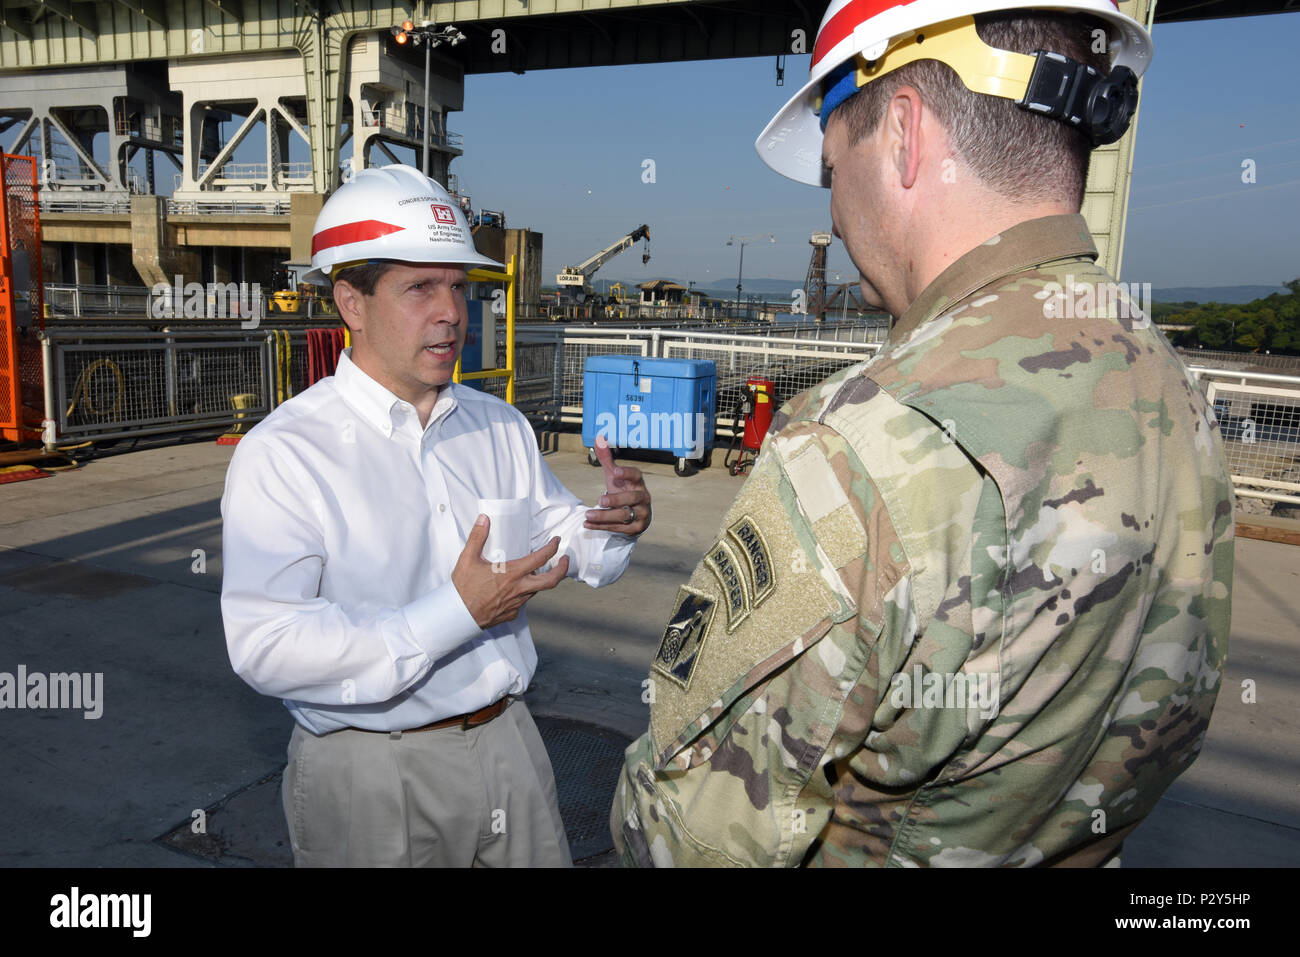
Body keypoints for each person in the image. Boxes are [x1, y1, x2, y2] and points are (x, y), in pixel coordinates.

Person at [611, 0, 1234, 867]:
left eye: (833, 171)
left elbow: (691, 836)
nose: (832, 217)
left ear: (903, 133)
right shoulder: (1173, 388)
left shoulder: (864, 443)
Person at [221, 164, 652, 867]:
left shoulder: (498, 425)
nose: (451, 311)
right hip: (368, 774)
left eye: (457, 286)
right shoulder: (285, 454)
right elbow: (267, 643)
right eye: (420, 287)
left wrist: (610, 522)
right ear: (351, 302)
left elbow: (557, 535)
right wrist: (457, 610)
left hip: (508, 743)